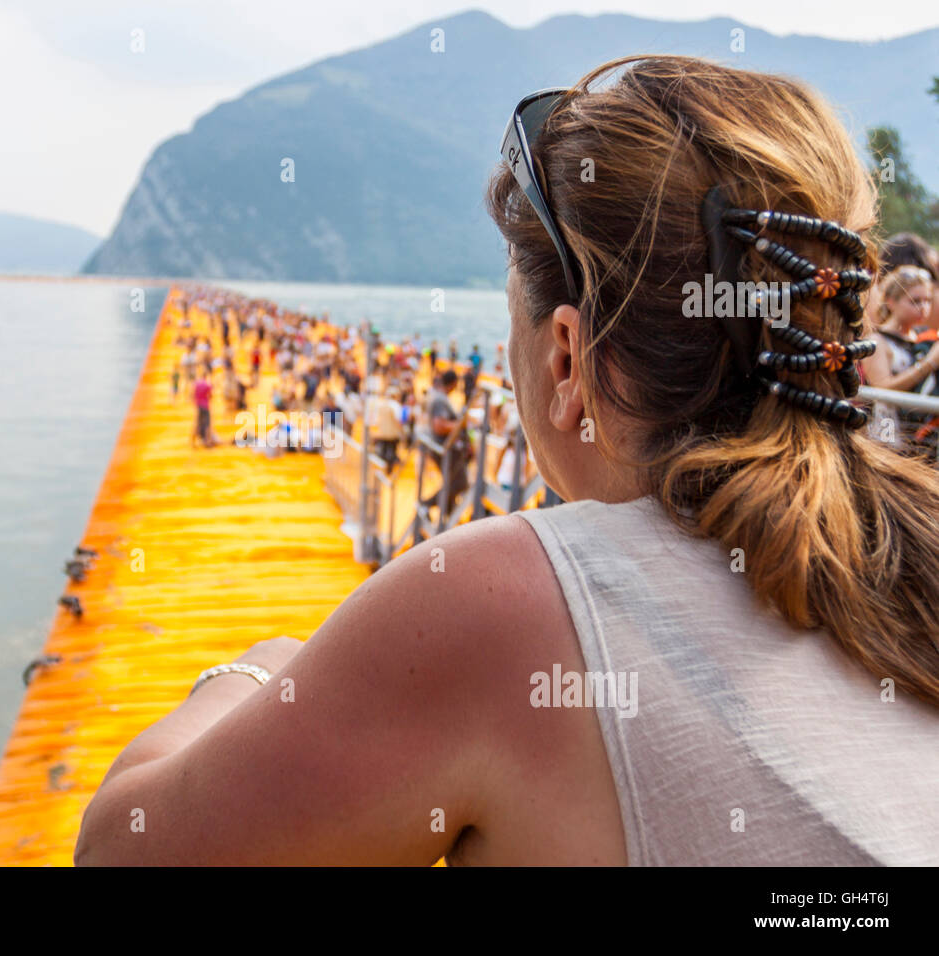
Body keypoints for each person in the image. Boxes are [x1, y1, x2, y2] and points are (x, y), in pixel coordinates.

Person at [76, 57, 939, 866]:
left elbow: (120, 846)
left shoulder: (502, 604)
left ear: (567, 356)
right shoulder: (916, 544)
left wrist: (259, 668)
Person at [861, 265, 939, 450]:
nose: (923, 308)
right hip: (886, 434)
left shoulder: (924, 337)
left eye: (927, 301)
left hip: (921, 438)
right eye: (915, 301)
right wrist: (929, 363)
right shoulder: (876, 340)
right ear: (891, 302)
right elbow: (883, 388)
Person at [419, 370, 470, 515]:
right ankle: (427, 504)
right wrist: (460, 424)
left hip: (442, 448)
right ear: (453, 384)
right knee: (459, 483)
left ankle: (447, 512)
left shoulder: (436, 396)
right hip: (444, 448)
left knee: (453, 484)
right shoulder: (440, 400)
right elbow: (439, 426)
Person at [191, 370, 214, 448]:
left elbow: (193, 394)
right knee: (207, 424)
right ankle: (207, 442)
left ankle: (192, 442)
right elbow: (210, 395)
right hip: (205, 406)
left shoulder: (196, 384)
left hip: (198, 405)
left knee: (198, 424)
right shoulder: (207, 385)